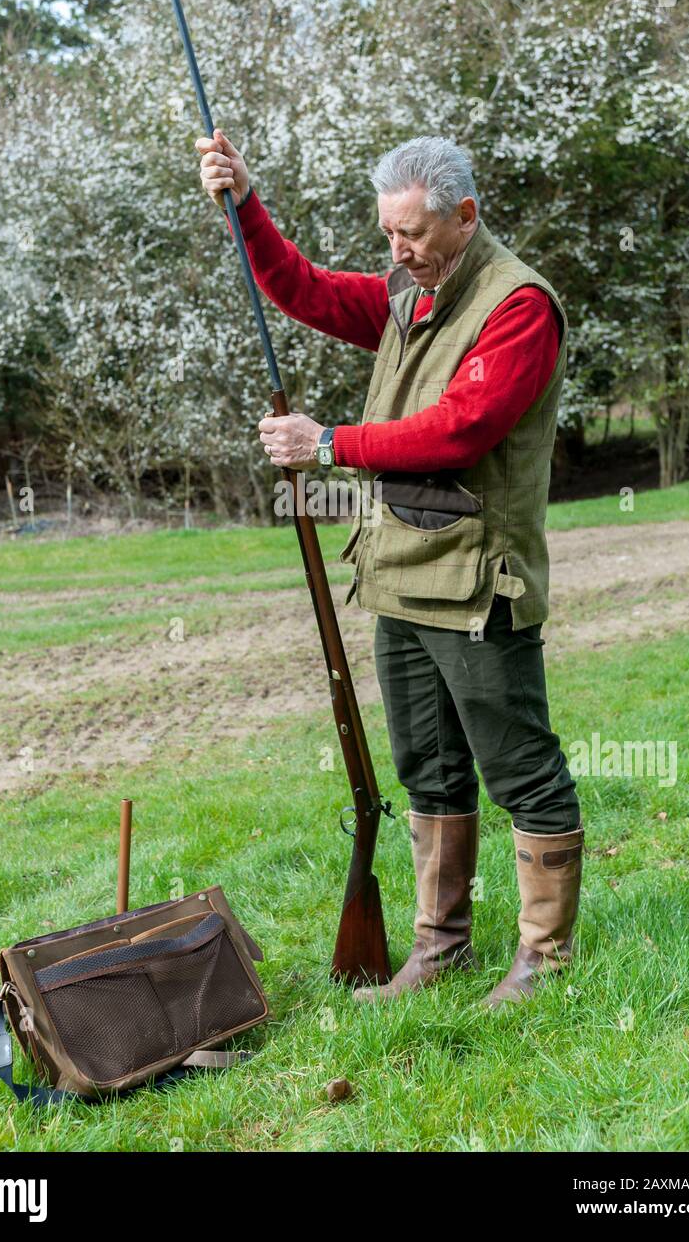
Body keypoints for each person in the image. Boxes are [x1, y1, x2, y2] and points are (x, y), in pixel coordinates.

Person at [196, 129, 583, 1008]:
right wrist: (243, 204)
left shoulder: (516, 304)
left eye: (410, 234)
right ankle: (437, 953)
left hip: (479, 581)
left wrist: (328, 443)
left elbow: (460, 427)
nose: (396, 252)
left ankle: (543, 961)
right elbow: (298, 290)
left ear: (465, 216)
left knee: (520, 769)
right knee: (427, 772)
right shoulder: (413, 296)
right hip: (402, 575)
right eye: (388, 235)